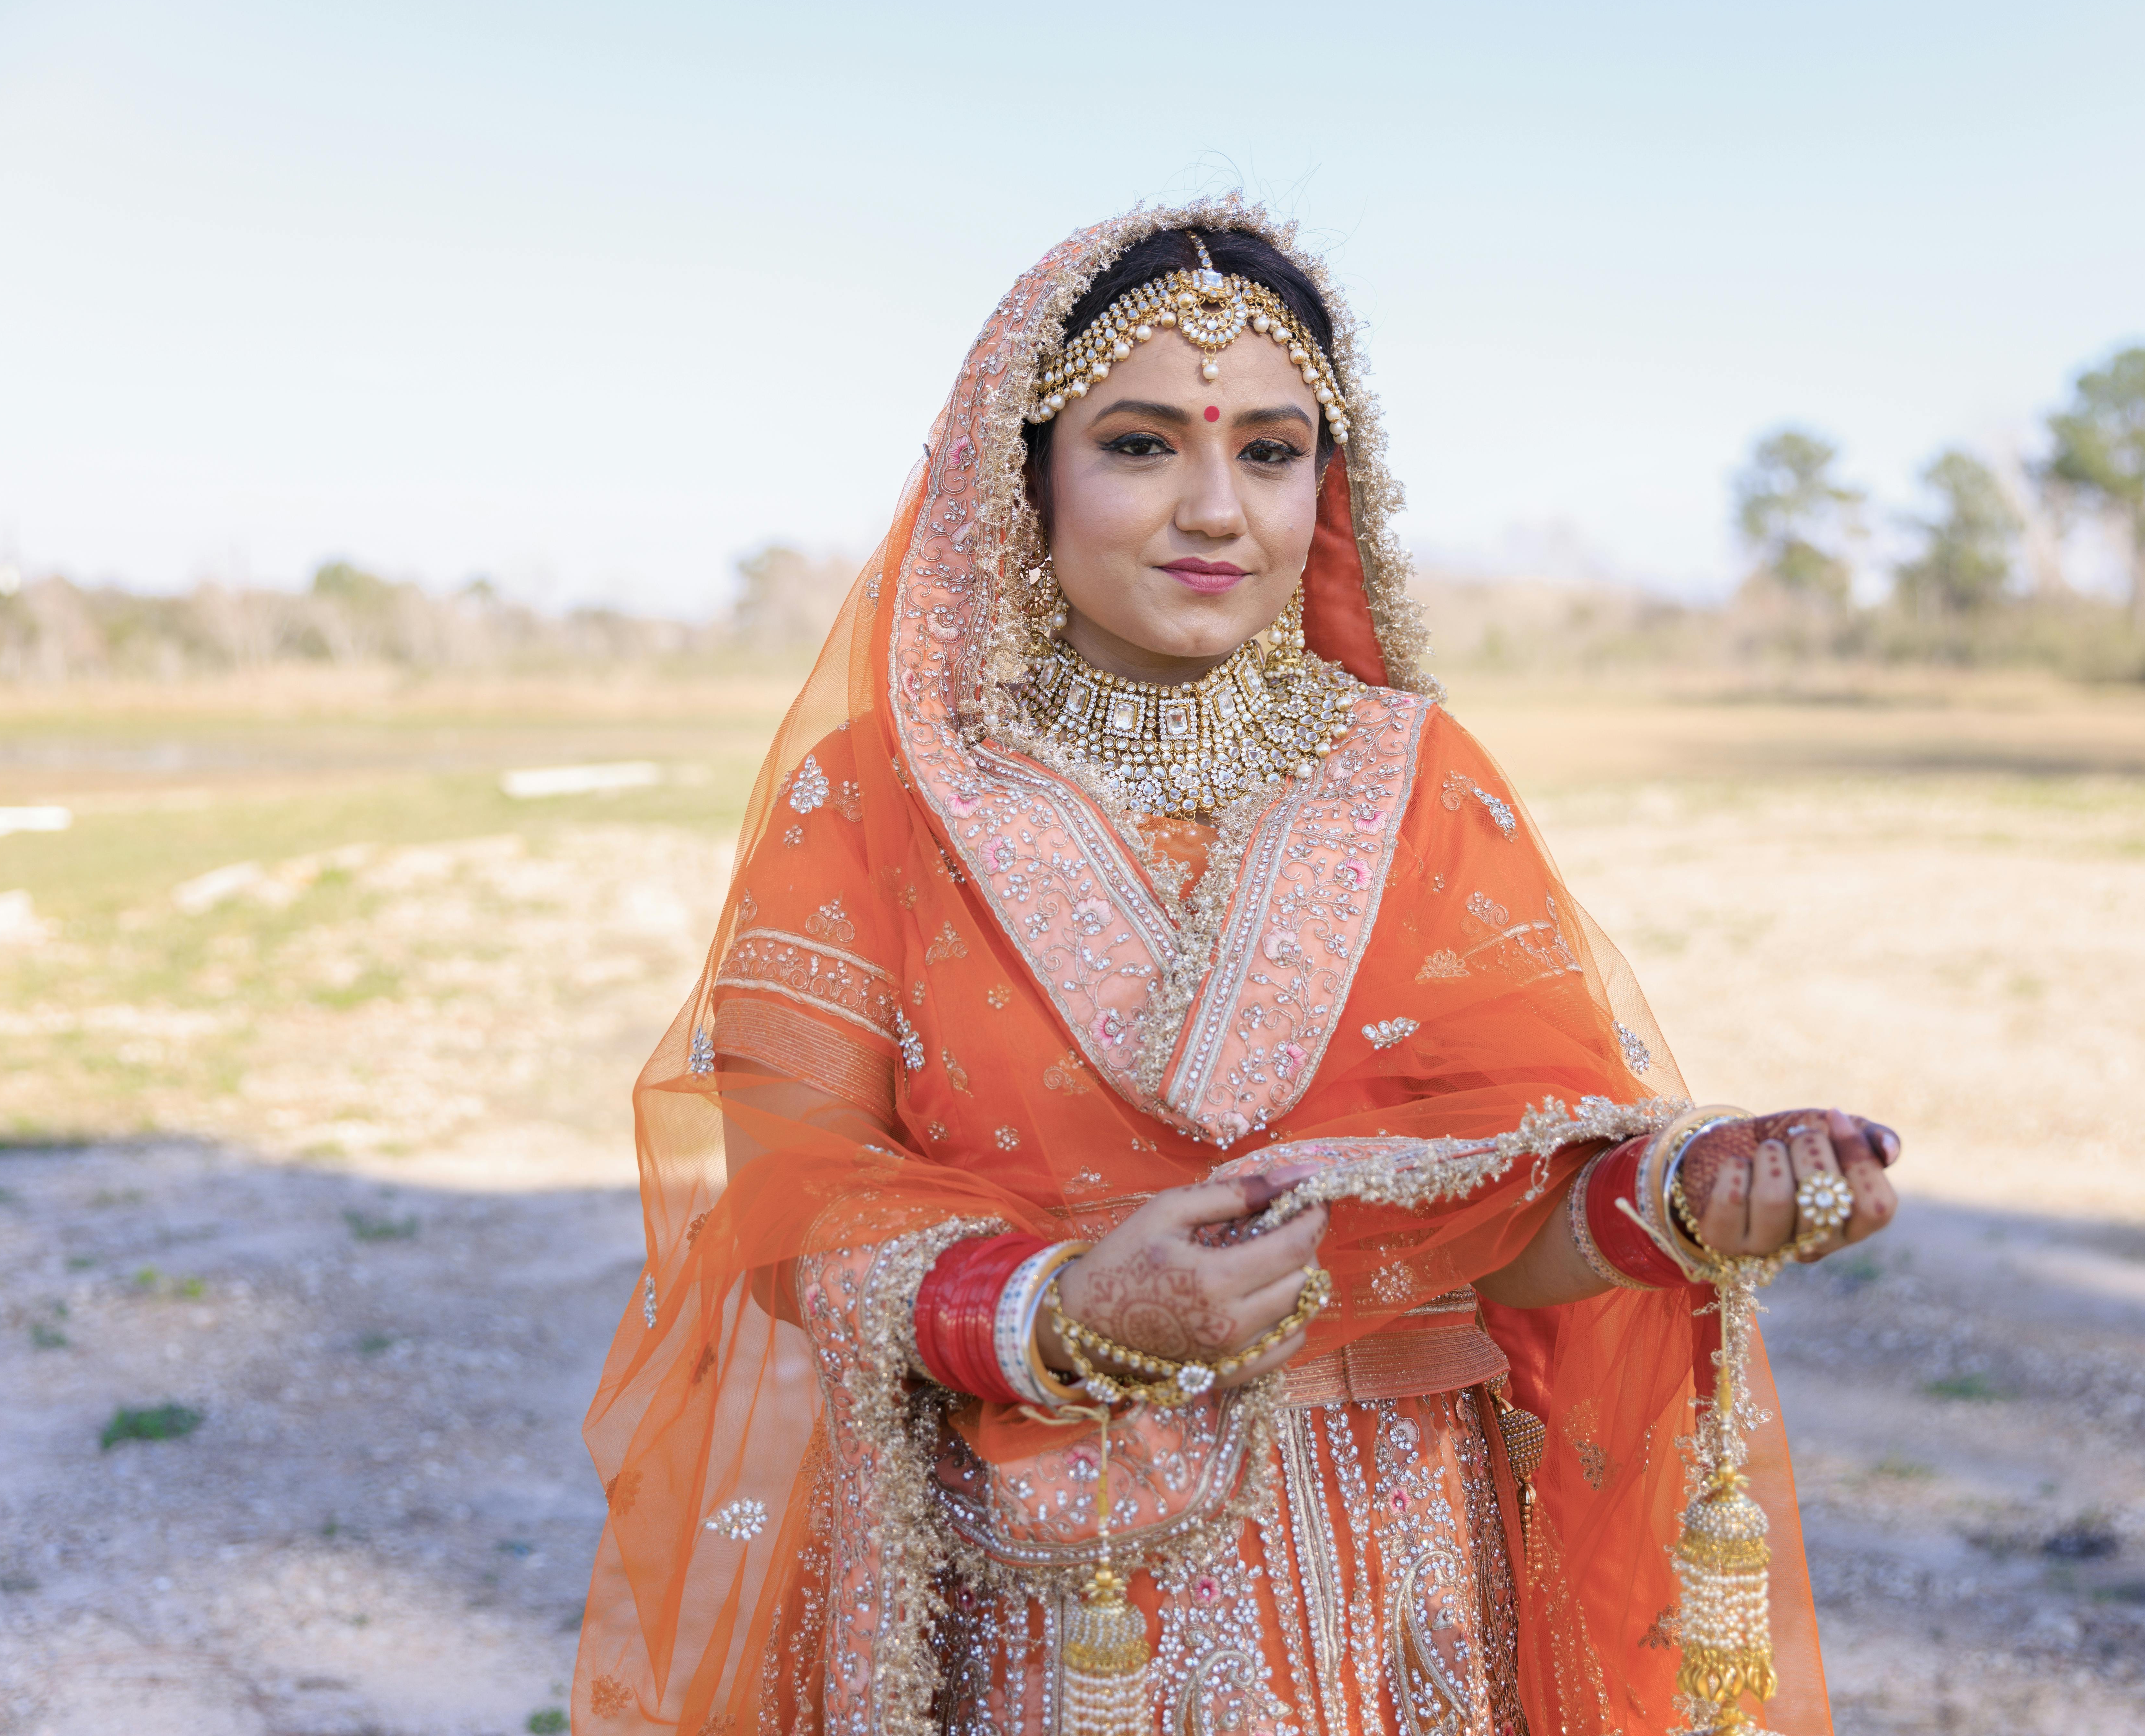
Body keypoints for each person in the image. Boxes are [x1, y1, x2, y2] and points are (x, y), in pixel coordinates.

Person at [573, 201, 1901, 1736]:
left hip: (1398, 1594)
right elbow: (794, 1205)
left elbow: (1513, 1216)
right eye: (1140, 445)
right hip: (1047, 1599)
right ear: (1023, 478)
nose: (1217, 507)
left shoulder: (1416, 782)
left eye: (1270, 452)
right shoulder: (876, 800)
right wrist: (1058, 1313)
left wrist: (1688, 1195)